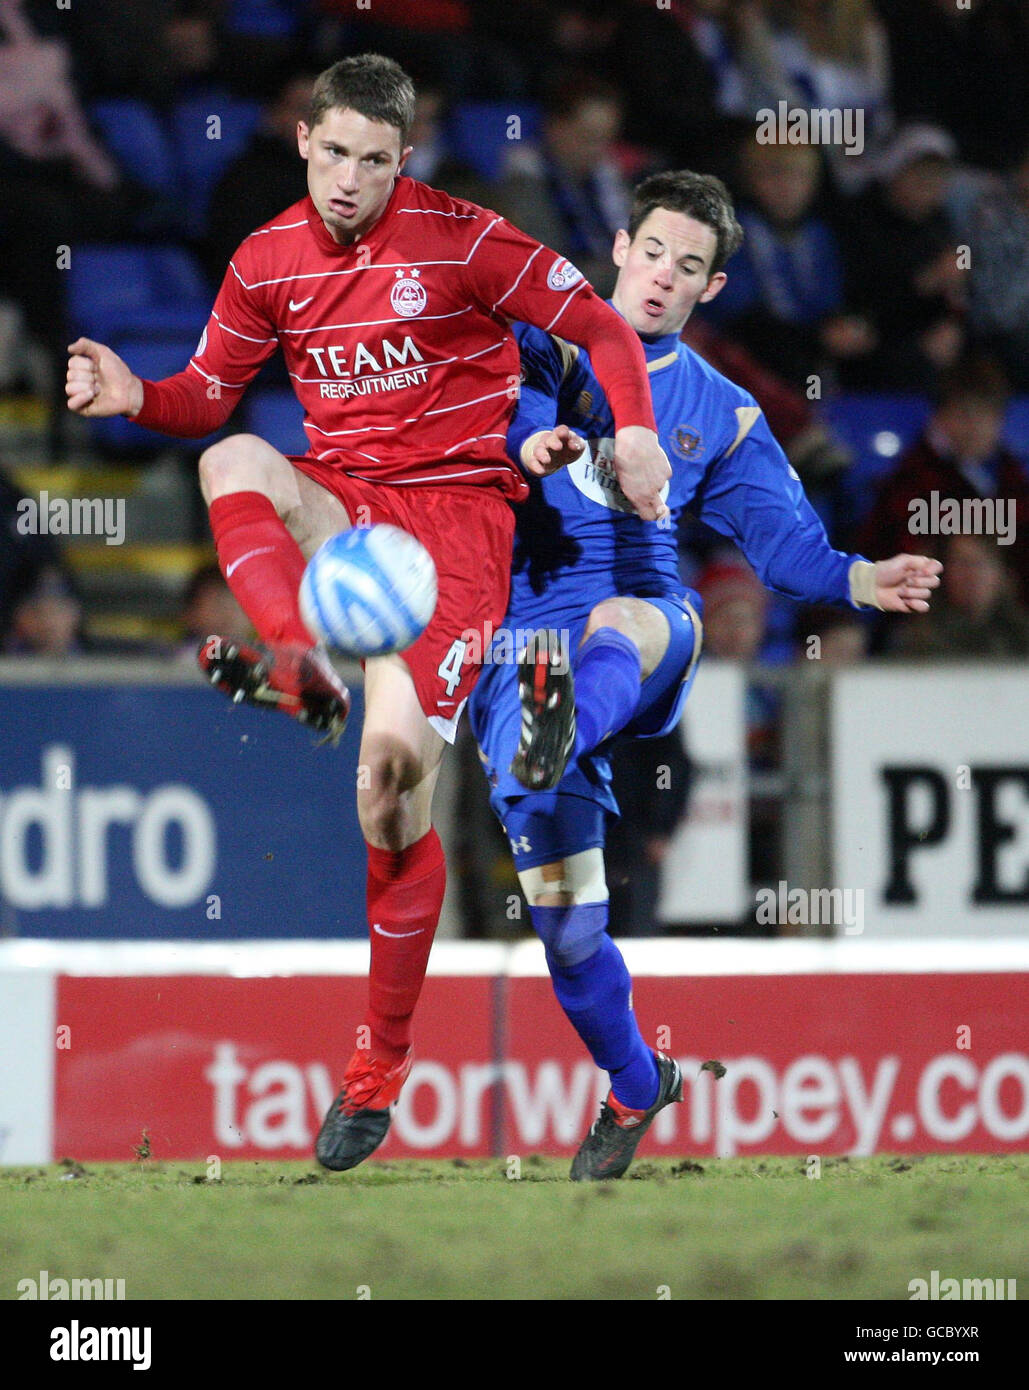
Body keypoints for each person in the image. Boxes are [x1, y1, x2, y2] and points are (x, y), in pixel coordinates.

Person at [64, 53, 670, 1174]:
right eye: (332, 152)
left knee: (389, 795)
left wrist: (631, 429)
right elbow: (207, 392)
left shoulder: (466, 240)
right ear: (303, 140)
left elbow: (603, 328)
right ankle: (300, 661)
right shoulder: (267, 259)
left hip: (454, 538)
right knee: (238, 453)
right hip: (346, 509)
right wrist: (135, 395)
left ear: (407, 159)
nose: (349, 179)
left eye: (374, 161)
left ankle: (382, 1061)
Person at [467, 169, 942, 1180]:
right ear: (618, 248)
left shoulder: (722, 414)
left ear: (711, 289)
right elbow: (485, 425)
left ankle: (563, 724)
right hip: (521, 652)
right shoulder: (542, 346)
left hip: (647, 632)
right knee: (568, 930)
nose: (662, 279)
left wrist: (862, 576)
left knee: (623, 617)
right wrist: (531, 444)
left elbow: (786, 551)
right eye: (652, 254)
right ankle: (640, 1082)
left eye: (689, 267)